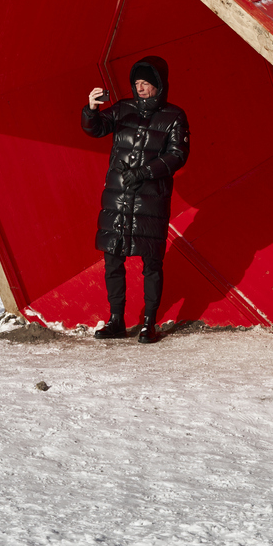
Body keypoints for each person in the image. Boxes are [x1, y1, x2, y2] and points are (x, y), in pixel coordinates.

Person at [81, 56, 189, 344]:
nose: (140, 88)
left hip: (150, 201)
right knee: (112, 259)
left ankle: (149, 323)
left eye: (146, 83)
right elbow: (97, 128)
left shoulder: (174, 116)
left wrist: (144, 173)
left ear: (159, 85)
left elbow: (178, 155)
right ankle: (116, 320)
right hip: (117, 199)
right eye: (137, 83)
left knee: (152, 262)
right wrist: (92, 109)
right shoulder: (123, 109)